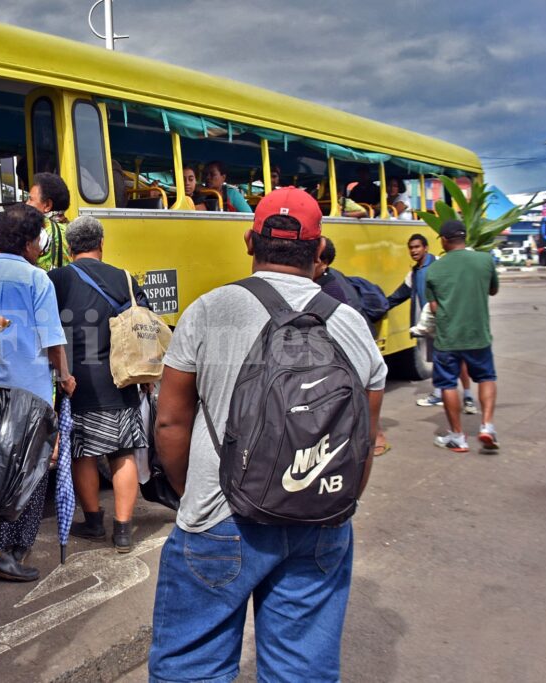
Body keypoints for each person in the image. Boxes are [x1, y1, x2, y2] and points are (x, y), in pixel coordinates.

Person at [150, 187, 386, 682]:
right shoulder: (351, 323)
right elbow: (363, 441)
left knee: (192, 668)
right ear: (320, 251)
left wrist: (190, 490)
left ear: (248, 240)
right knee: (300, 671)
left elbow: (170, 422)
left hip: (218, 516)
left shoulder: (208, 310)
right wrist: (329, 502)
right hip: (320, 520)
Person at [0, 203, 75, 582]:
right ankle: (3, 552)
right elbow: (53, 342)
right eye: (38, 239)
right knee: (25, 471)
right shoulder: (38, 280)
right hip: (29, 392)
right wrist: (66, 376)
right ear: (26, 242)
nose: (40, 247)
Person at [48, 216, 150, 553]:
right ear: (101, 244)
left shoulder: (56, 279)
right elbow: (144, 325)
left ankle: (92, 522)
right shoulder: (123, 277)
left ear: (70, 246)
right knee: (123, 453)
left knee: (83, 454)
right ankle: (122, 531)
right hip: (120, 379)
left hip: (75, 381)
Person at [425, 220, 500, 453]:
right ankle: (487, 426)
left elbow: (434, 307)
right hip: (478, 335)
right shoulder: (485, 260)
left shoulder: (434, 269)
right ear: (465, 238)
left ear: (444, 240)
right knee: (486, 377)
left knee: (447, 384)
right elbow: (493, 289)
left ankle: (458, 436)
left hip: (448, 338)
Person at [314, 239, 390, 456]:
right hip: (354, 342)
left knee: (359, 393)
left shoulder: (330, 287)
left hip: (354, 344)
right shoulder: (328, 278)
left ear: (323, 262)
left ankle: (375, 439)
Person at [387, 234, 476, 412]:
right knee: (438, 359)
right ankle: (441, 393)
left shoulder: (440, 265)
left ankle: (466, 395)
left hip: (447, 321)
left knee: (458, 359)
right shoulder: (414, 272)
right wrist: (379, 305)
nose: (414, 251)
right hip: (430, 324)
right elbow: (399, 295)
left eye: (417, 247)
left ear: (426, 248)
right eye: (411, 248)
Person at [27, 171, 72, 271]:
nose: (27, 203)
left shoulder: (39, 230)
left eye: (30, 199)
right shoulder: (70, 228)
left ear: (47, 205)